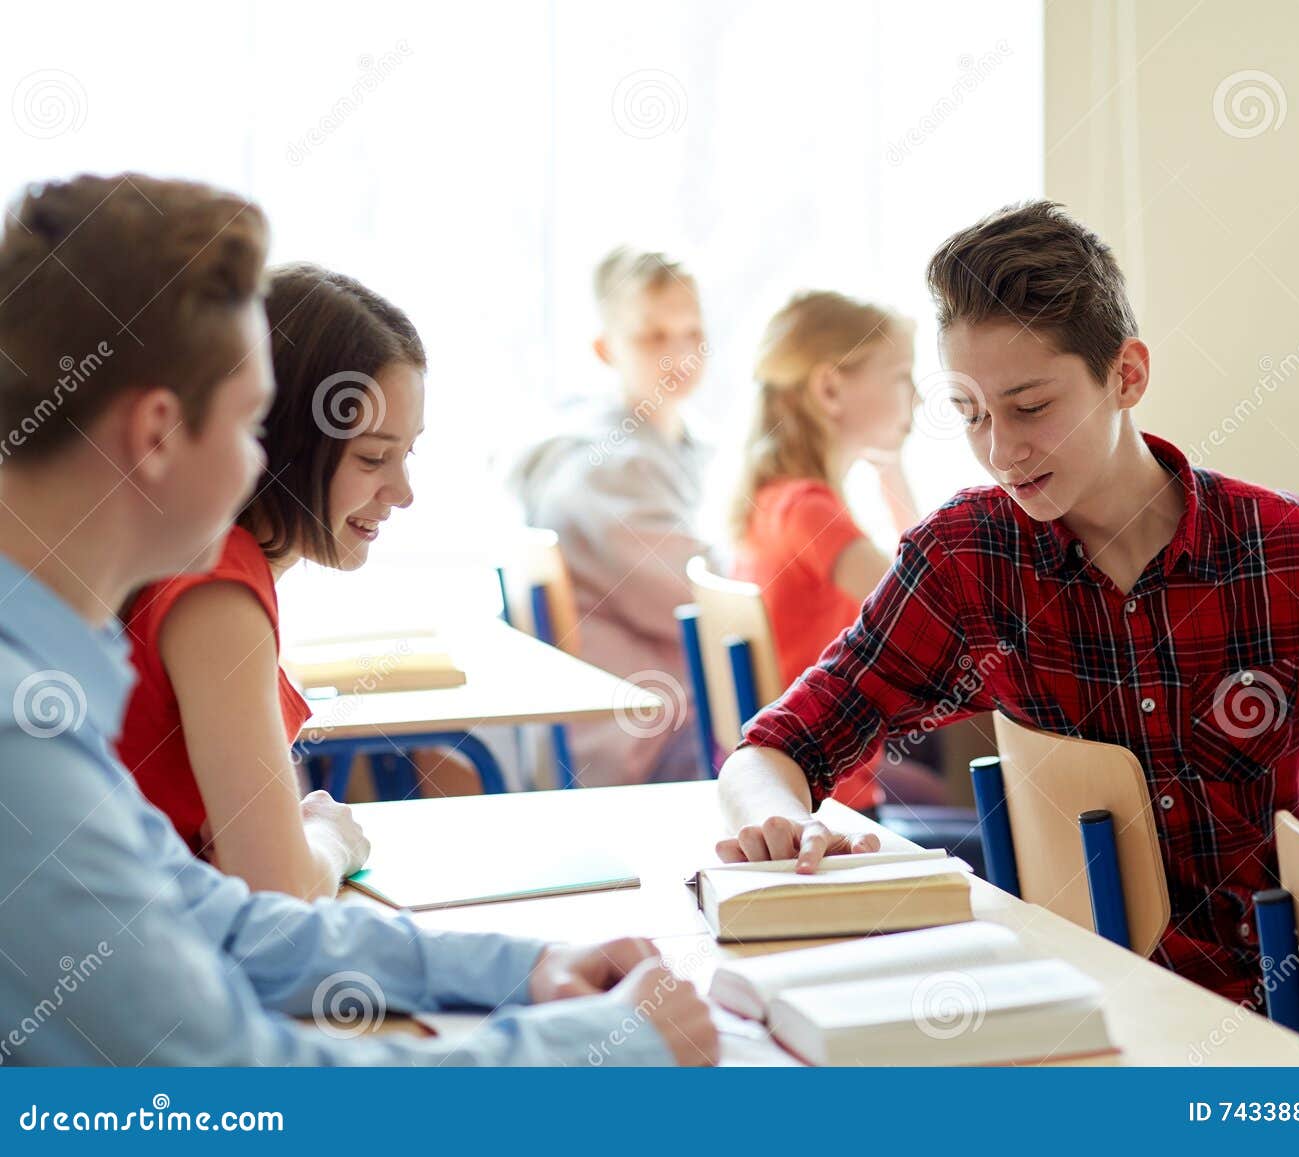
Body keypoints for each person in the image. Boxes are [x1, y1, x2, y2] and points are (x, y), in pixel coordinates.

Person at [714, 200, 1299, 1004]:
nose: (1001, 451)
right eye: (969, 414)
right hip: (1067, 1010)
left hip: (1263, 1019)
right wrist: (782, 820)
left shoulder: (1291, 550)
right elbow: (776, 747)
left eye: (1031, 407)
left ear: (1128, 375)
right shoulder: (968, 558)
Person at [0, 172, 715, 1065]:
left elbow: (224, 921)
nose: (259, 464)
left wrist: (525, 967)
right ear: (156, 434)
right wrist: (605, 1047)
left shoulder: (47, 698)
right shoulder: (20, 739)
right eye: (252, 424)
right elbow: (246, 1091)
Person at [117, 264, 429, 898]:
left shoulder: (200, 558)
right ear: (283, 440)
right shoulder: (217, 592)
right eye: (372, 457)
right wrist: (333, 838)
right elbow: (278, 887)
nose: (402, 492)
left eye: (407, 453)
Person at [729, 290, 941, 809]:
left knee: (937, 780)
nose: (917, 398)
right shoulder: (810, 512)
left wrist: (890, 469)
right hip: (833, 798)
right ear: (829, 389)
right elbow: (928, 606)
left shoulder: (777, 499)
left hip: (813, 783)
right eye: (901, 376)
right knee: (970, 799)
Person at [512, 247, 709, 785]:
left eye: (692, 333)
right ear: (606, 349)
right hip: (645, 734)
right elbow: (699, 599)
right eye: (653, 337)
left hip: (655, 719)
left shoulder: (665, 447)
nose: (679, 353)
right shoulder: (609, 469)